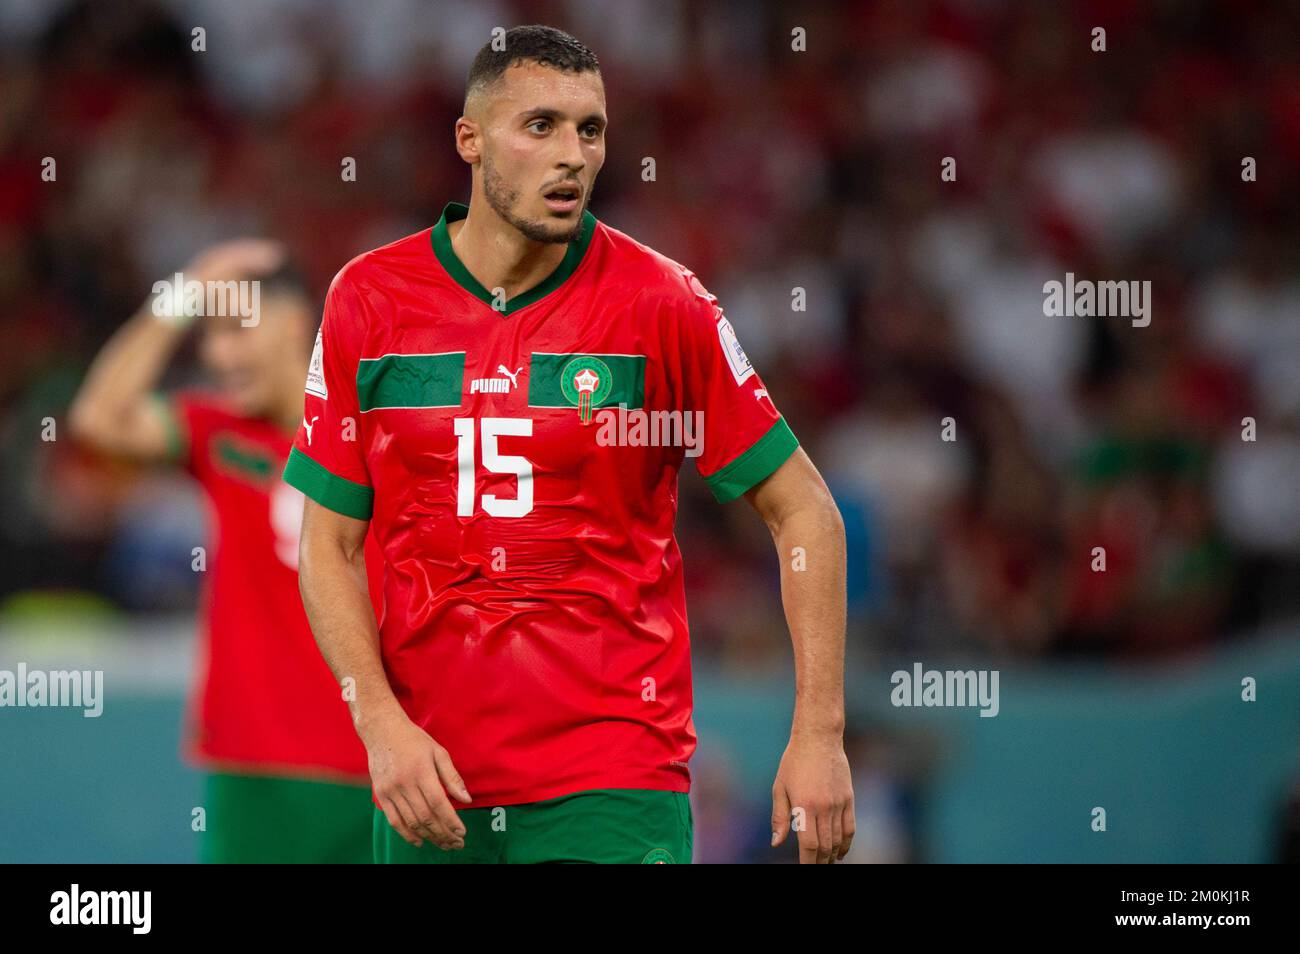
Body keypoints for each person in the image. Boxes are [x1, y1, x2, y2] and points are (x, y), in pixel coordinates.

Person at [287, 24, 853, 864]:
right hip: (430, 780)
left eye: (591, 129)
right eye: (541, 125)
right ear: (469, 141)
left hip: (614, 778)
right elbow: (326, 545)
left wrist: (818, 732)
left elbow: (805, 513)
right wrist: (378, 721)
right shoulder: (368, 302)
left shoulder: (664, 304)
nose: (574, 156)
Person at [69, 240, 376, 862]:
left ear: (294, 324)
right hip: (252, 761)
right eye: (208, 335)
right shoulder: (220, 433)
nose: (216, 353)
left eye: (236, 330)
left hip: (376, 761)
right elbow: (99, 419)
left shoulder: (374, 434)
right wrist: (181, 291)